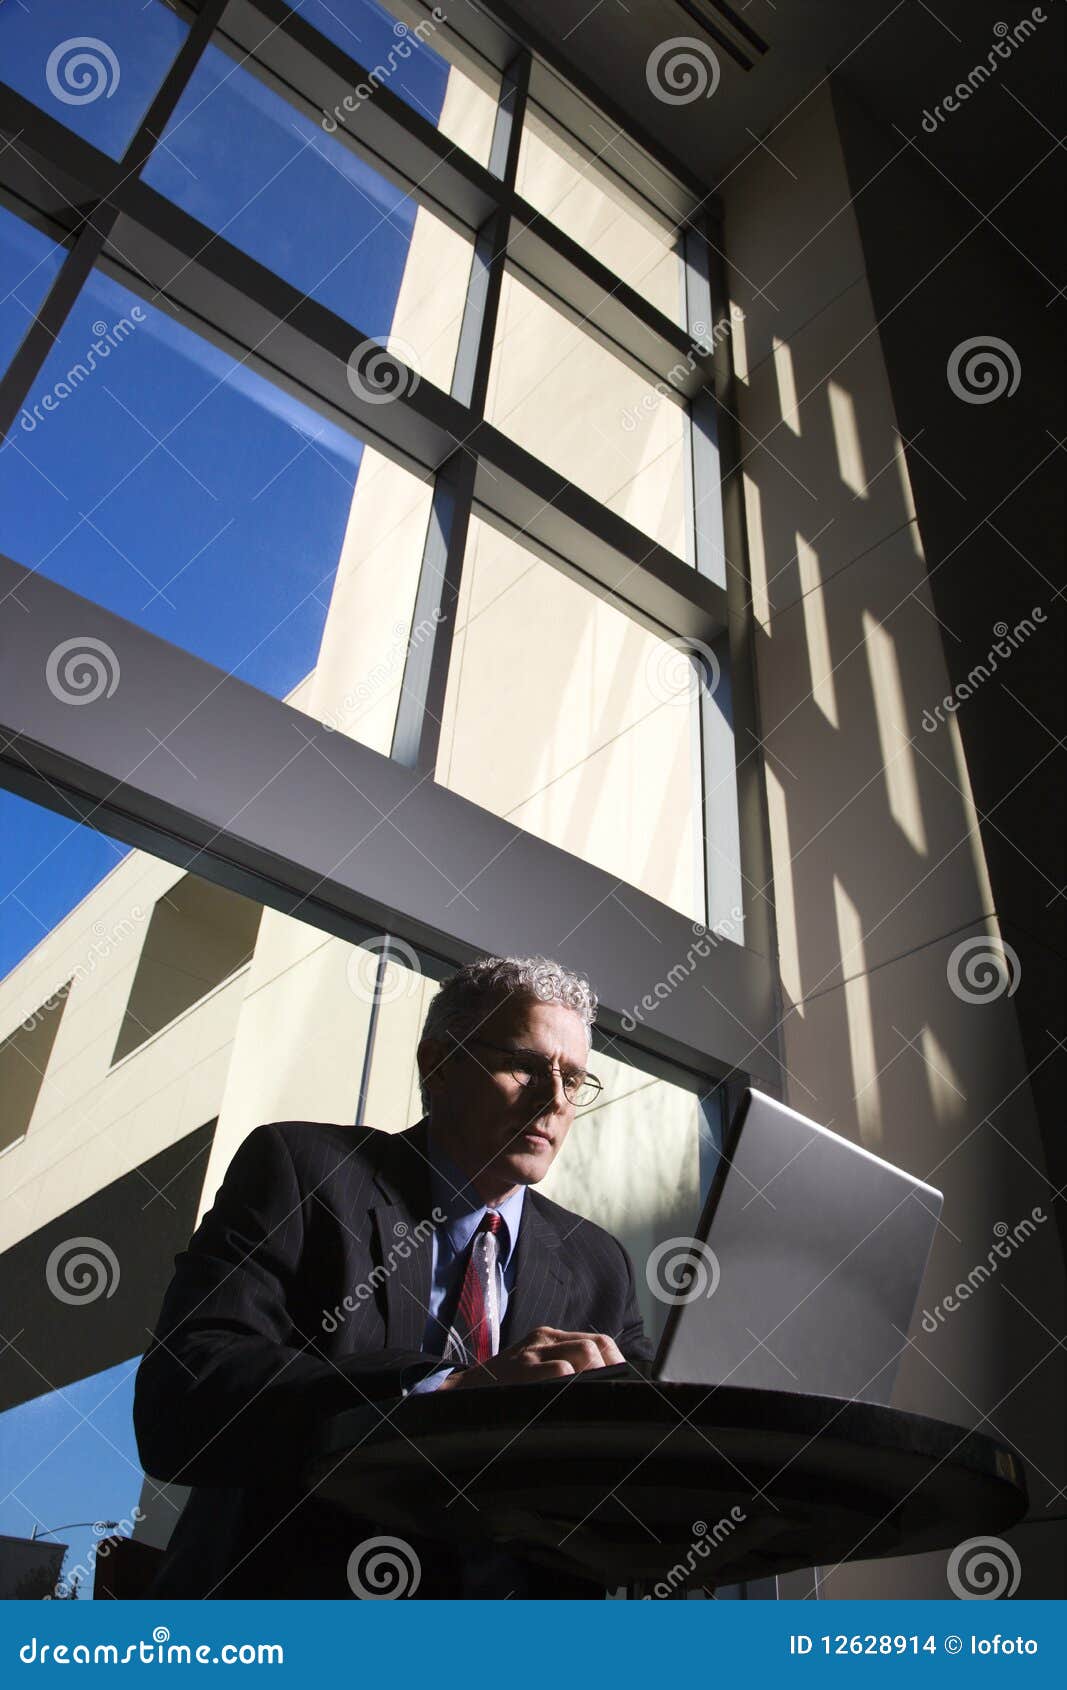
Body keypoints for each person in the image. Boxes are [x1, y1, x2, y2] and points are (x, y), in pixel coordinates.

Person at [134, 954, 654, 1597]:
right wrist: (445, 1393)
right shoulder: (304, 1173)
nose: (553, 1100)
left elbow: (646, 1484)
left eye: (573, 1079)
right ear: (437, 1063)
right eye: (525, 1064)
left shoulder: (600, 1263)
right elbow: (182, 1396)